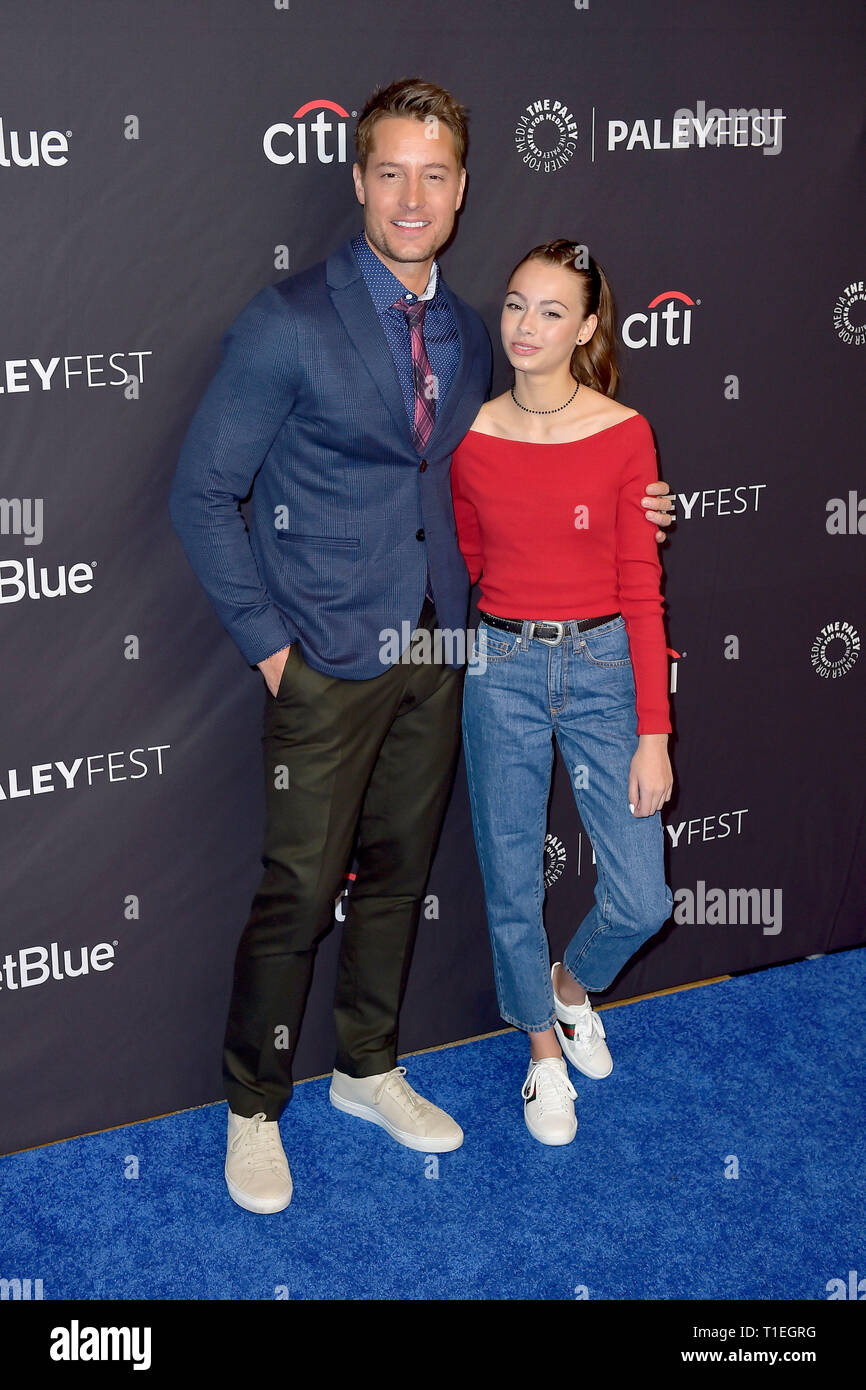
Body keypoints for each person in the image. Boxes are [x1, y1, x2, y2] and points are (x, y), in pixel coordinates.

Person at [169, 80, 676, 1215]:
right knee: (299, 891)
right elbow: (204, 493)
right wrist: (269, 653)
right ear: (356, 181)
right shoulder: (287, 319)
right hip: (320, 664)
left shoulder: (465, 327)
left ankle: (364, 1067)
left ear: (459, 190)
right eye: (388, 171)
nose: (411, 196)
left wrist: (637, 506)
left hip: (445, 653)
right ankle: (253, 1107)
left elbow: (509, 472)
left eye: (434, 175)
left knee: (394, 879)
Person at [450, 239, 675, 1146]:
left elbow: (642, 587)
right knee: (510, 880)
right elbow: (467, 556)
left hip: (605, 668)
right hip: (499, 667)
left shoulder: (625, 432)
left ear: (586, 328)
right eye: (514, 305)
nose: (526, 326)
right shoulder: (468, 436)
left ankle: (570, 987)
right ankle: (542, 1054)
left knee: (643, 897)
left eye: (551, 311)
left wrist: (653, 731)